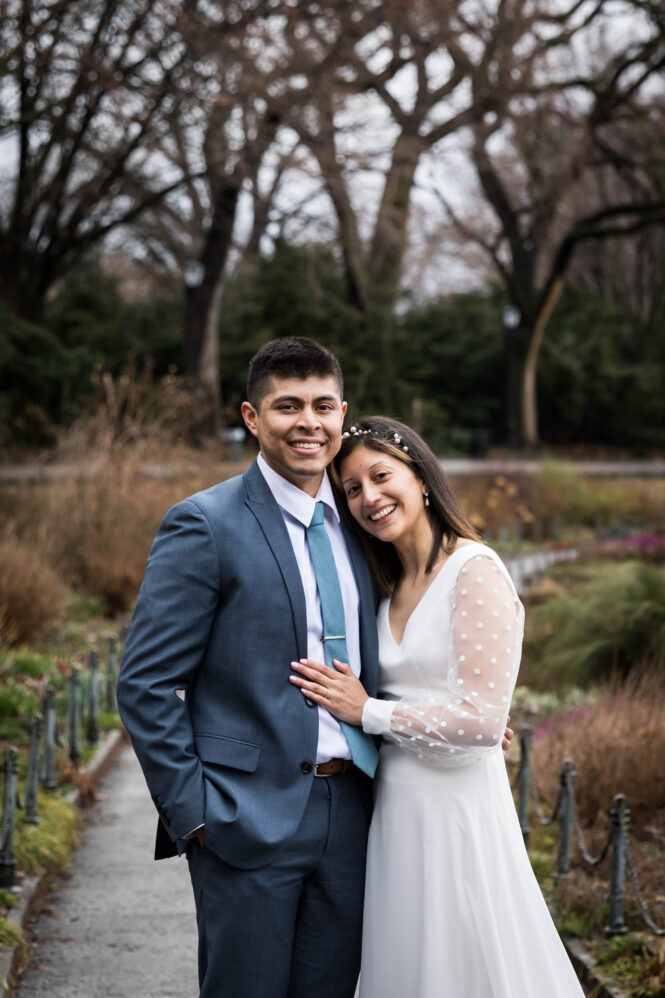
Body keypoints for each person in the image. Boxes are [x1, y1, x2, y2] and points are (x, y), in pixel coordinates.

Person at [117, 337, 379, 998]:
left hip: (356, 811)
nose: (307, 423)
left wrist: (460, 721)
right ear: (251, 417)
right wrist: (196, 814)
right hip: (245, 816)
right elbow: (145, 683)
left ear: (342, 414)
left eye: (322, 406)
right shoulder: (204, 524)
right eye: (286, 406)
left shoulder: (365, 526)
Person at [289, 415, 585, 998]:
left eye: (380, 476)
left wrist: (370, 711)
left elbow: (478, 722)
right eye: (351, 489)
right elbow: (441, 708)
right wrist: (414, 722)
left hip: (457, 810)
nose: (369, 497)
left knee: (465, 959)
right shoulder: (386, 584)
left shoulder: (474, 571)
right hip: (397, 810)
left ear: (421, 477)